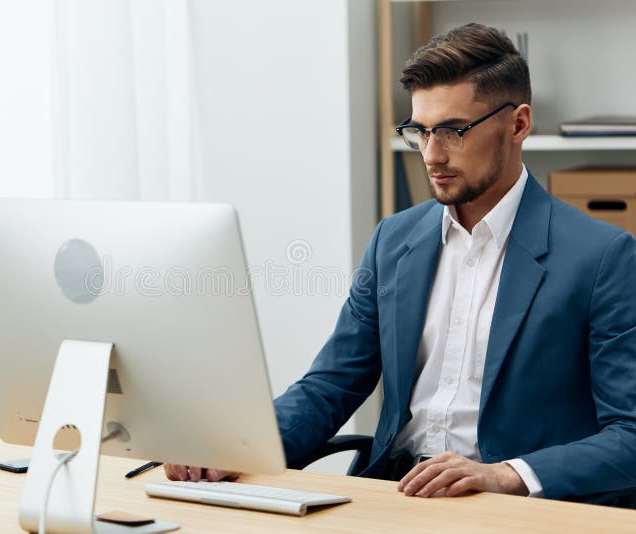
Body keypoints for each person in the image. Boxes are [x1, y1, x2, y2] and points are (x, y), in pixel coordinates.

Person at [165, 23, 636, 504]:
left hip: (511, 506)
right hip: (394, 494)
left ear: (517, 124)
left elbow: (631, 434)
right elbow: (332, 385)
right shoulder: (395, 239)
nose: (432, 155)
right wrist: (236, 447)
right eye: (421, 132)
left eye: (453, 131)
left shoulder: (602, 257)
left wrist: (506, 474)